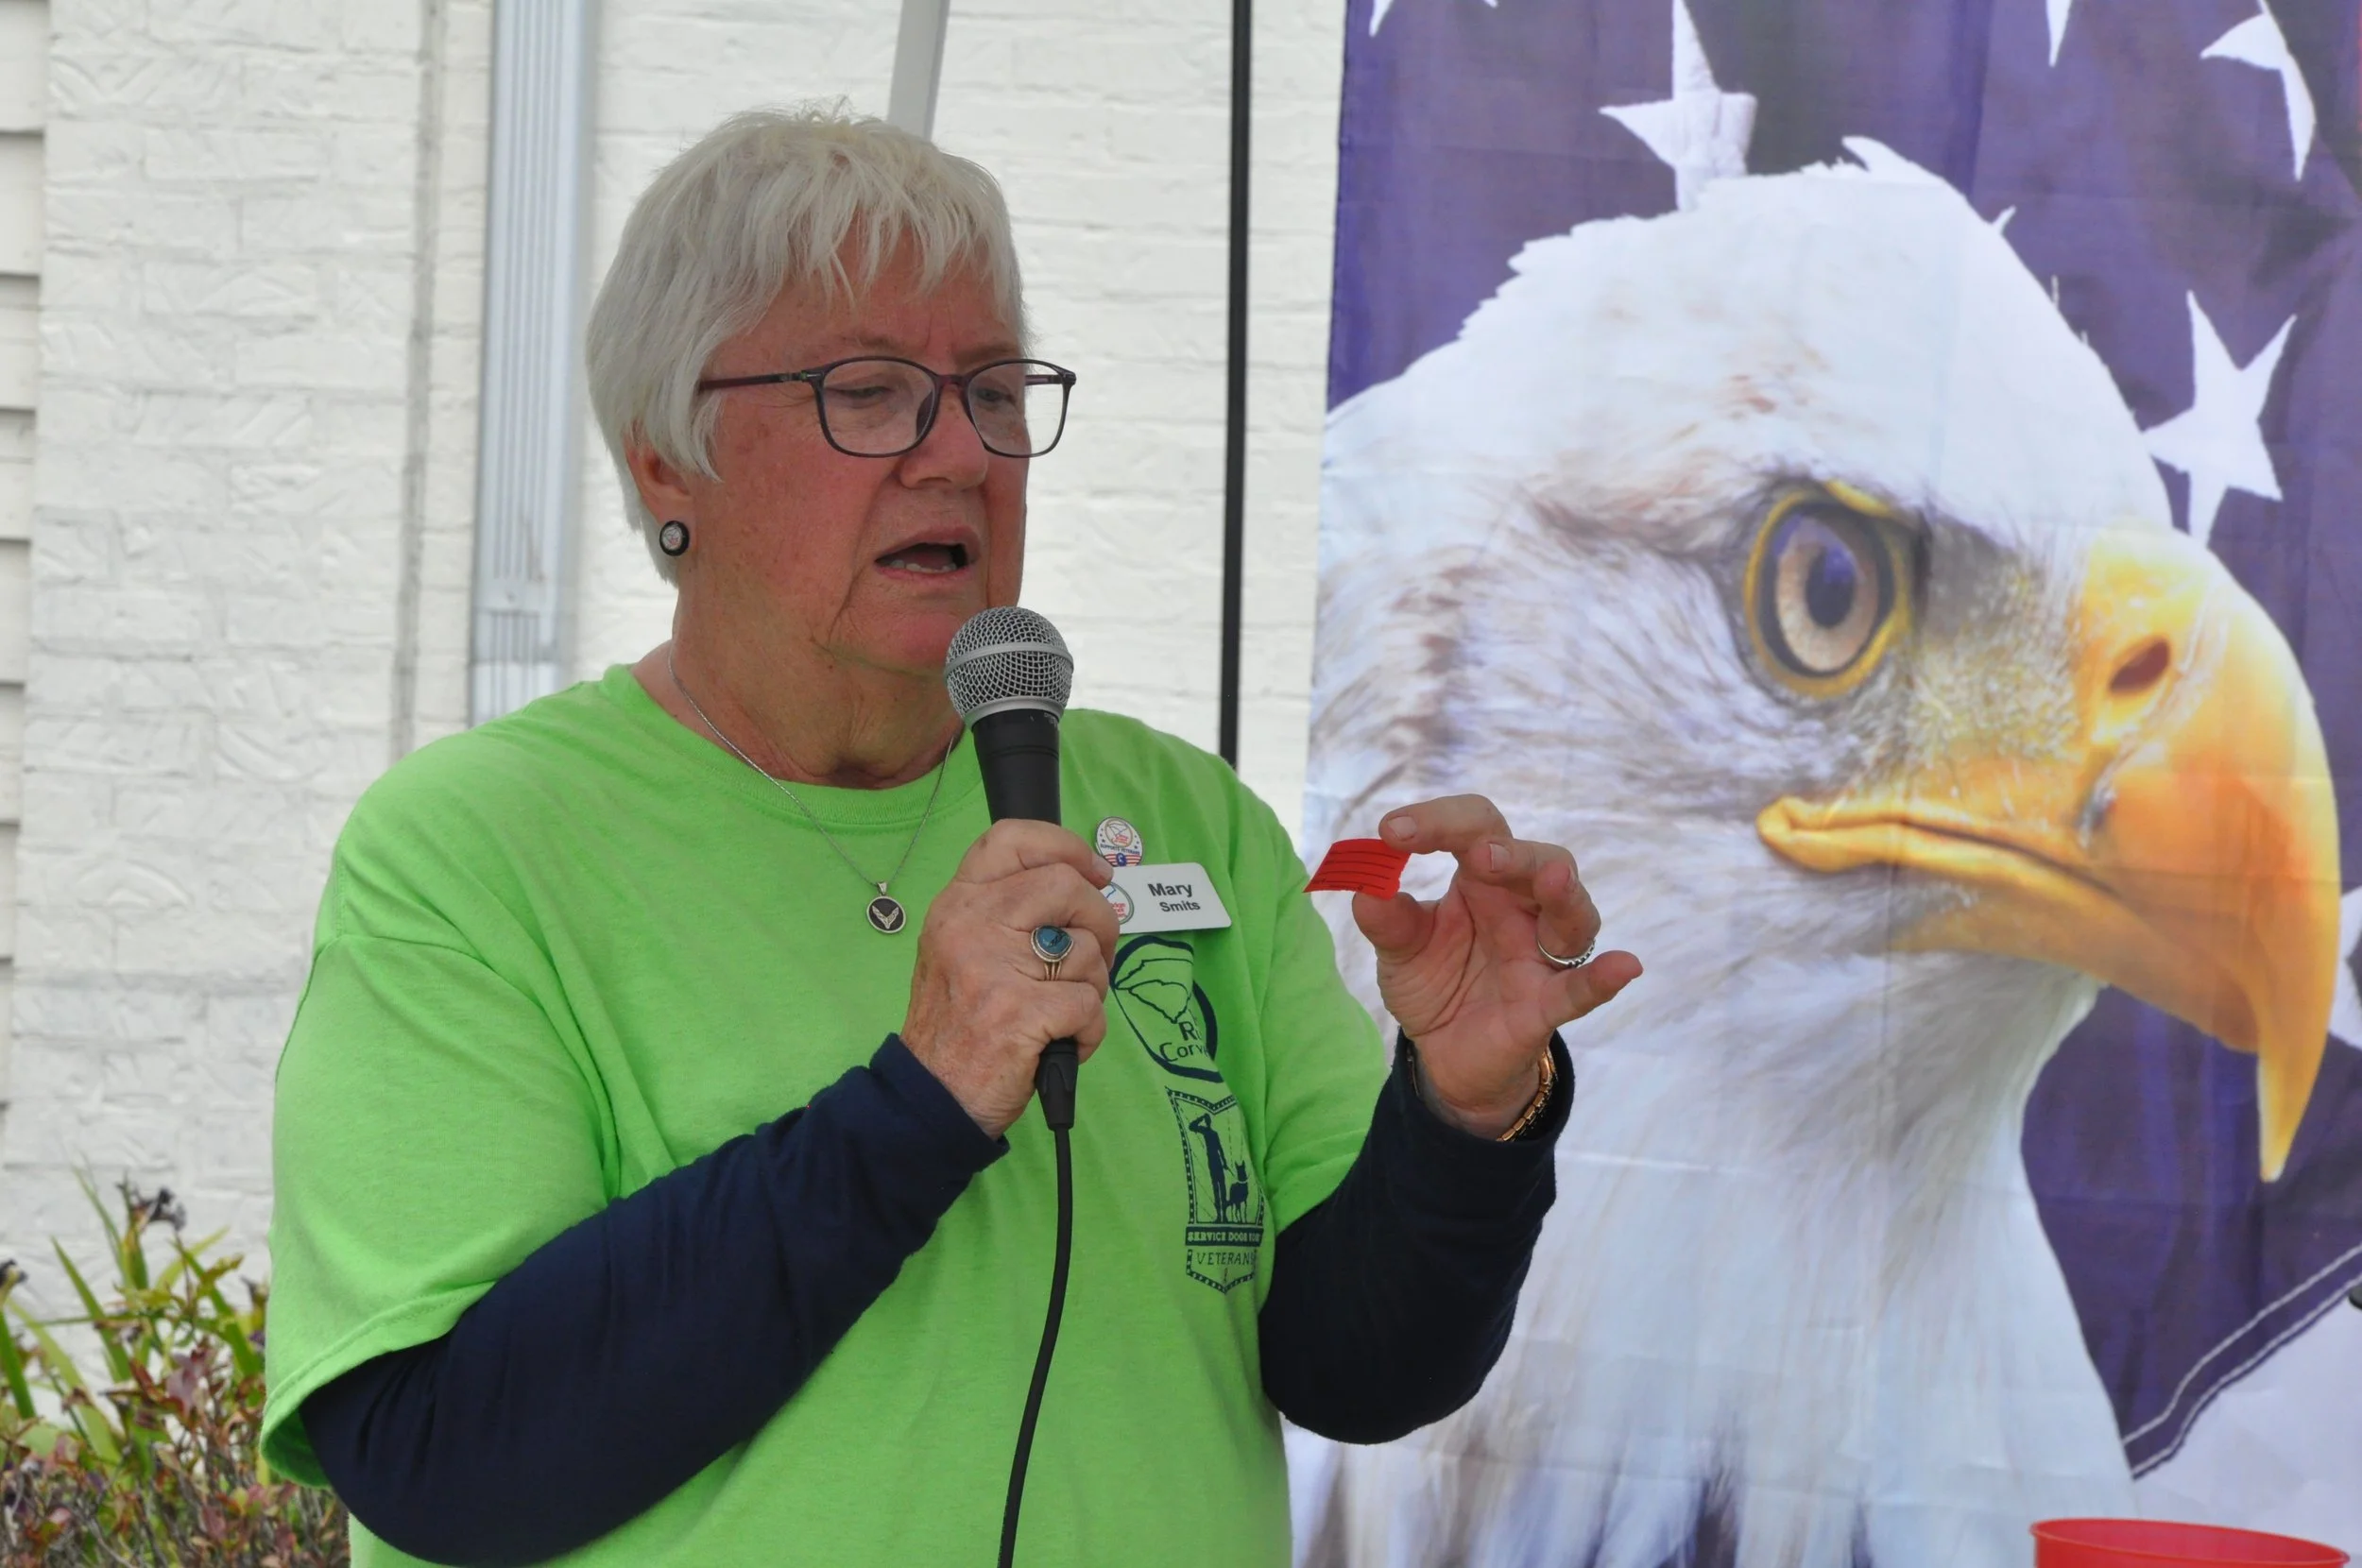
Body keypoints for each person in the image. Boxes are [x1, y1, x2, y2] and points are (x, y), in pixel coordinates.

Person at [257, 106, 1641, 1567]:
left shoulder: (1181, 823)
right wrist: (917, 1107)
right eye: (867, 393)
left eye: (992, 391)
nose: (958, 454)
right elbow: (442, 1462)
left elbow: (1356, 1370)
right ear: (666, 462)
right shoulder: (475, 852)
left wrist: (1466, 1122)